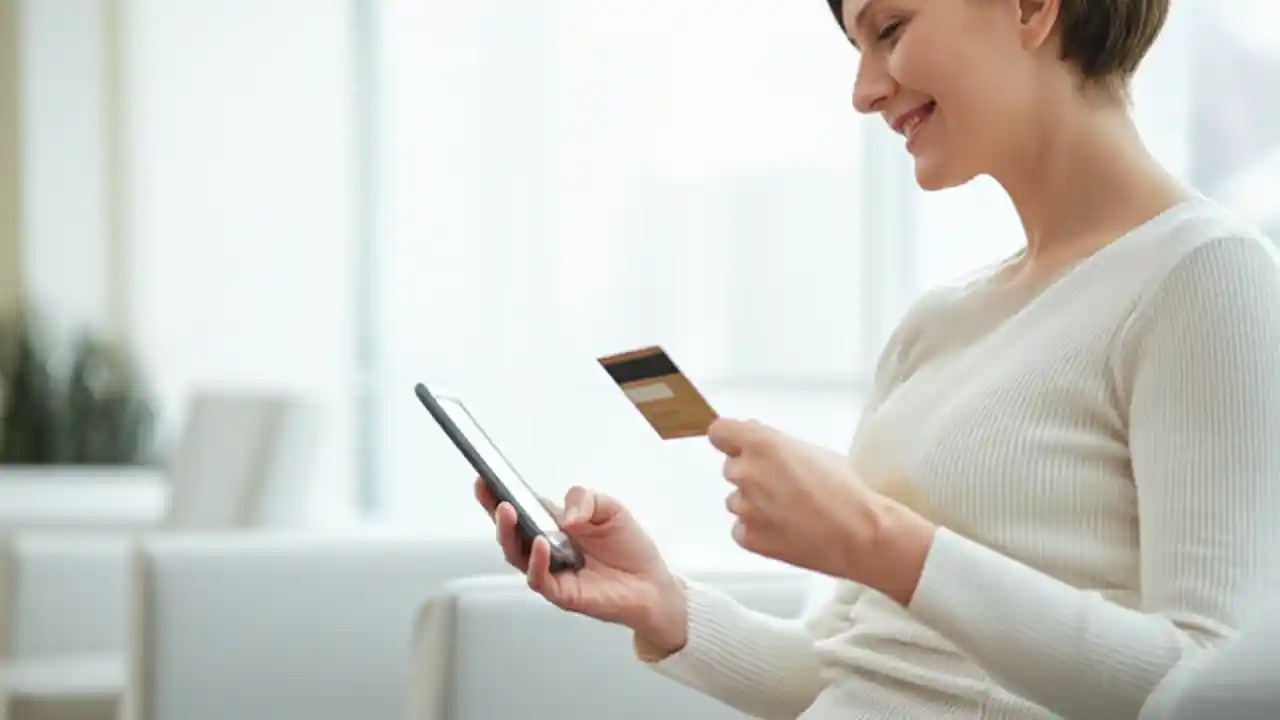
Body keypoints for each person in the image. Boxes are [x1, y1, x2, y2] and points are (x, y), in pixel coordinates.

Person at [474, 0, 1280, 717]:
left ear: (1033, 8)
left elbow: (1208, 691)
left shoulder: (1206, 275)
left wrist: (877, 539)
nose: (864, 91)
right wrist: (663, 604)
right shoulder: (938, 322)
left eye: (889, 31)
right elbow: (842, 670)